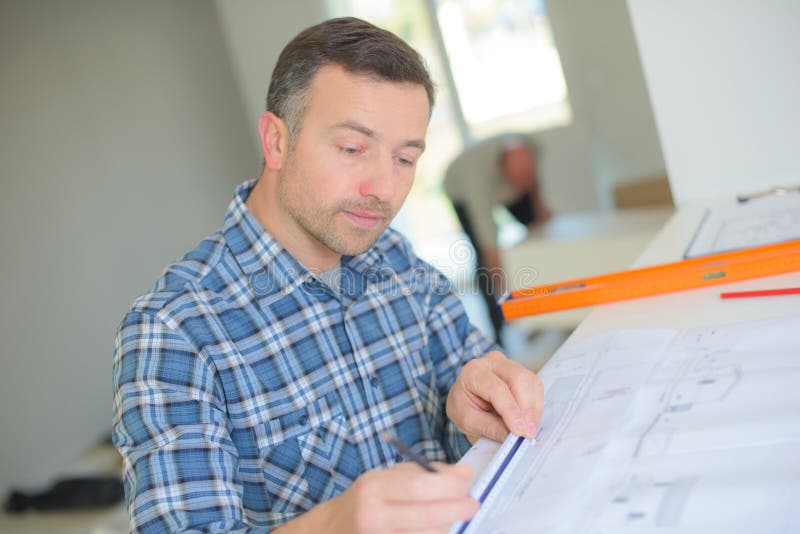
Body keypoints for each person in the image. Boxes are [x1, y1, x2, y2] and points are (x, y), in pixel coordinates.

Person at [112, 17, 543, 533]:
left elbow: (472, 431)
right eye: (353, 149)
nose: (384, 187)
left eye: (405, 158)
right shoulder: (173, 332)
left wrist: (477, 411)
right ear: (276, 141)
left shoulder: (398, 262)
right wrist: (330, 525)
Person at [444, 135, 552, 343]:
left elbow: (533, 184)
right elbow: (490, 244)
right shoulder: (475, 180)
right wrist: (507, 295)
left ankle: (546, 312)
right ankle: (498, 331)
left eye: (525, 177)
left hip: (503, 185)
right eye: (517, 178)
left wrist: (540, 207)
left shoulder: (533, 145)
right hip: (462, 193)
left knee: (538, 237)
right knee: (485, 262)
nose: (522, 184)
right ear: (502, 170)